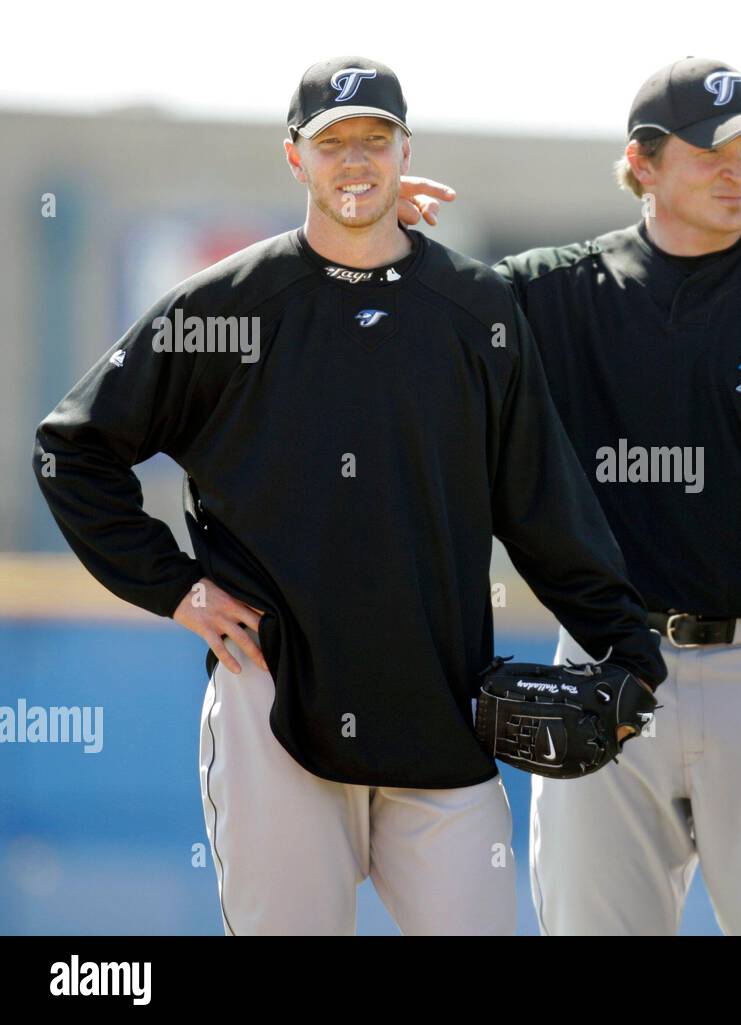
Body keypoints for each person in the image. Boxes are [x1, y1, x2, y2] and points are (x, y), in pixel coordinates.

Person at [32, 55, 666, 936]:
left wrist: (627, 649)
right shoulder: (228, 307)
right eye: (334, 143)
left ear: (406, 150)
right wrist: (172, 586)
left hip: (445, 712)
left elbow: (541, 500)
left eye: (375, 139)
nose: (356, 160)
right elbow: (73, 448)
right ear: (296, 158)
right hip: (274, 703)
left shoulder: (473, 307)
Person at [403, 56, 741, 935]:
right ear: (642, 162)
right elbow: (419, 327)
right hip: (607, 668)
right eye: (713, 150)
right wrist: (387, 230)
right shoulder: (550, 294)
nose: (740, 169)